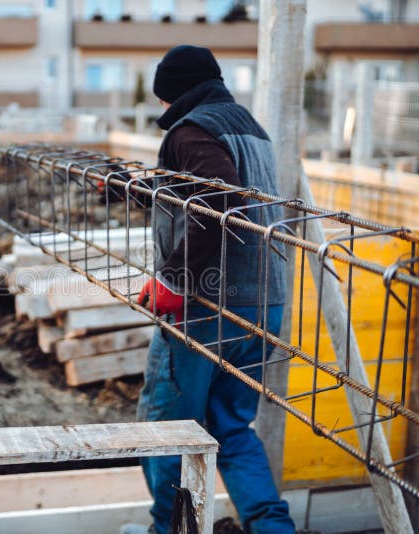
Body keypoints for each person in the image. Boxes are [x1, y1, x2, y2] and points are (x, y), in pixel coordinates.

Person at [126, 45, 295, 534]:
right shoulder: (248, 127)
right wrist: (131, 188)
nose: (162, 110)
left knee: (167, 431)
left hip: (209, 305)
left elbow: (218, 197)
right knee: (232, 429)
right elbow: (207, 188)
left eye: (163, 101)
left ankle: (168, 530)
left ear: (174, 95)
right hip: (262, 303)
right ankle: (271, 528)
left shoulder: (193, 128)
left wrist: (174, 280)